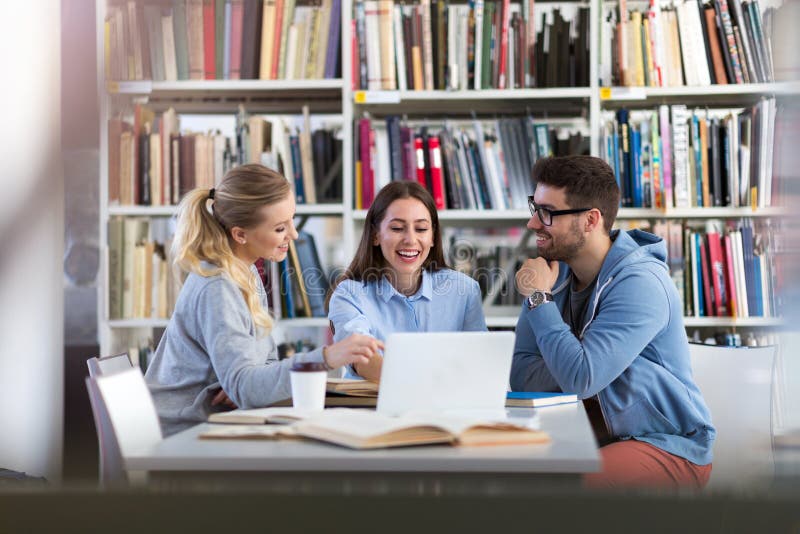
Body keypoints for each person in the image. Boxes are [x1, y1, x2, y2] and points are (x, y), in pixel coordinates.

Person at [511, 155, 714, 490]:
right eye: (535, 207)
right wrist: (574, 365)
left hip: (663, 445)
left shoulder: (641, 283)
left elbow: (581, 378)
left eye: (547, 212)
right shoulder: (551, 275)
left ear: (591, 220)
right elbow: (519, 373)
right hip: (582, 432)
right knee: (503, 480)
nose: (533, 223)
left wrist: (539, 301)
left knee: (573, 487)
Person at [145, 164, 382, 436]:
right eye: (280, 228)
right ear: (240, 234)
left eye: (292, 221)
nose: (293, 235)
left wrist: (246, 386)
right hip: (183, 435)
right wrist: (327, 357)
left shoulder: (246, 272)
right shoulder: (218, 286)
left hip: (216, 422)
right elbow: (246, 386)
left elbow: (258, 371)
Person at [328, 181, 487, 382]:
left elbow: (480, 362)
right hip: (372, 411)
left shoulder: (464, 291)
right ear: (376, 235)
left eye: (421, 229)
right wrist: (427, 384)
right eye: (397, 228)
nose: (410, 239)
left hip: (448, 410)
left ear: (432, 237)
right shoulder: (349, 295)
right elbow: (362, 359)